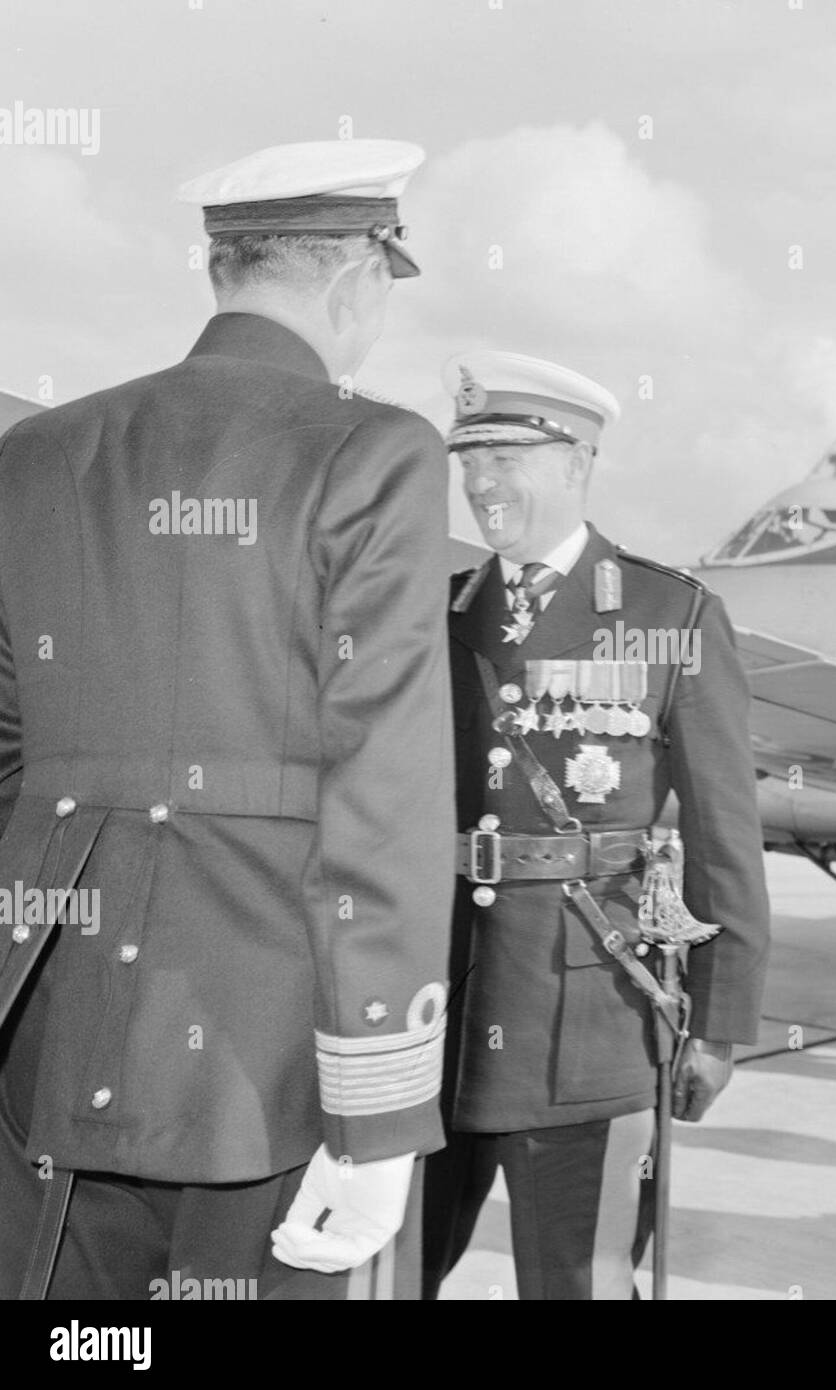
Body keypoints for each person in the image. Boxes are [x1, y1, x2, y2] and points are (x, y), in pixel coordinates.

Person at [0, 139, 455, 1299]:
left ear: (223, 268)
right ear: (358, 277)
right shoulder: (374, 449)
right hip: (266, 1067)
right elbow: (384, 792)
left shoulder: (42, 450)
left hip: (48, 1030)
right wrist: (382, 1114)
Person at [422, 351, 769, 1299]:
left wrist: (720, 1022)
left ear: (577, 463)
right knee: (388, 1275)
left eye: (505, 457)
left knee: (577, 1281)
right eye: (468, 459)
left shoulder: (671, 615)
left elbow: (724, 833)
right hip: (431, 1012)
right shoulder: (428, 609)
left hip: (589, 1020)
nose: (480, 483)